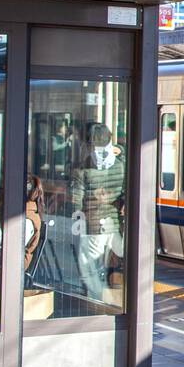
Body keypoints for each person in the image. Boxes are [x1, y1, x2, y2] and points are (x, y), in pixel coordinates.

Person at [72, 123, 125, 303]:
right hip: (114, 223)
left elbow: (76, 202)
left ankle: (99, 300)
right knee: (117, 258)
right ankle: (115, 296)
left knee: (88, 267)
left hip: (93, 223)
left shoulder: (83, 169)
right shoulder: (120, 165)